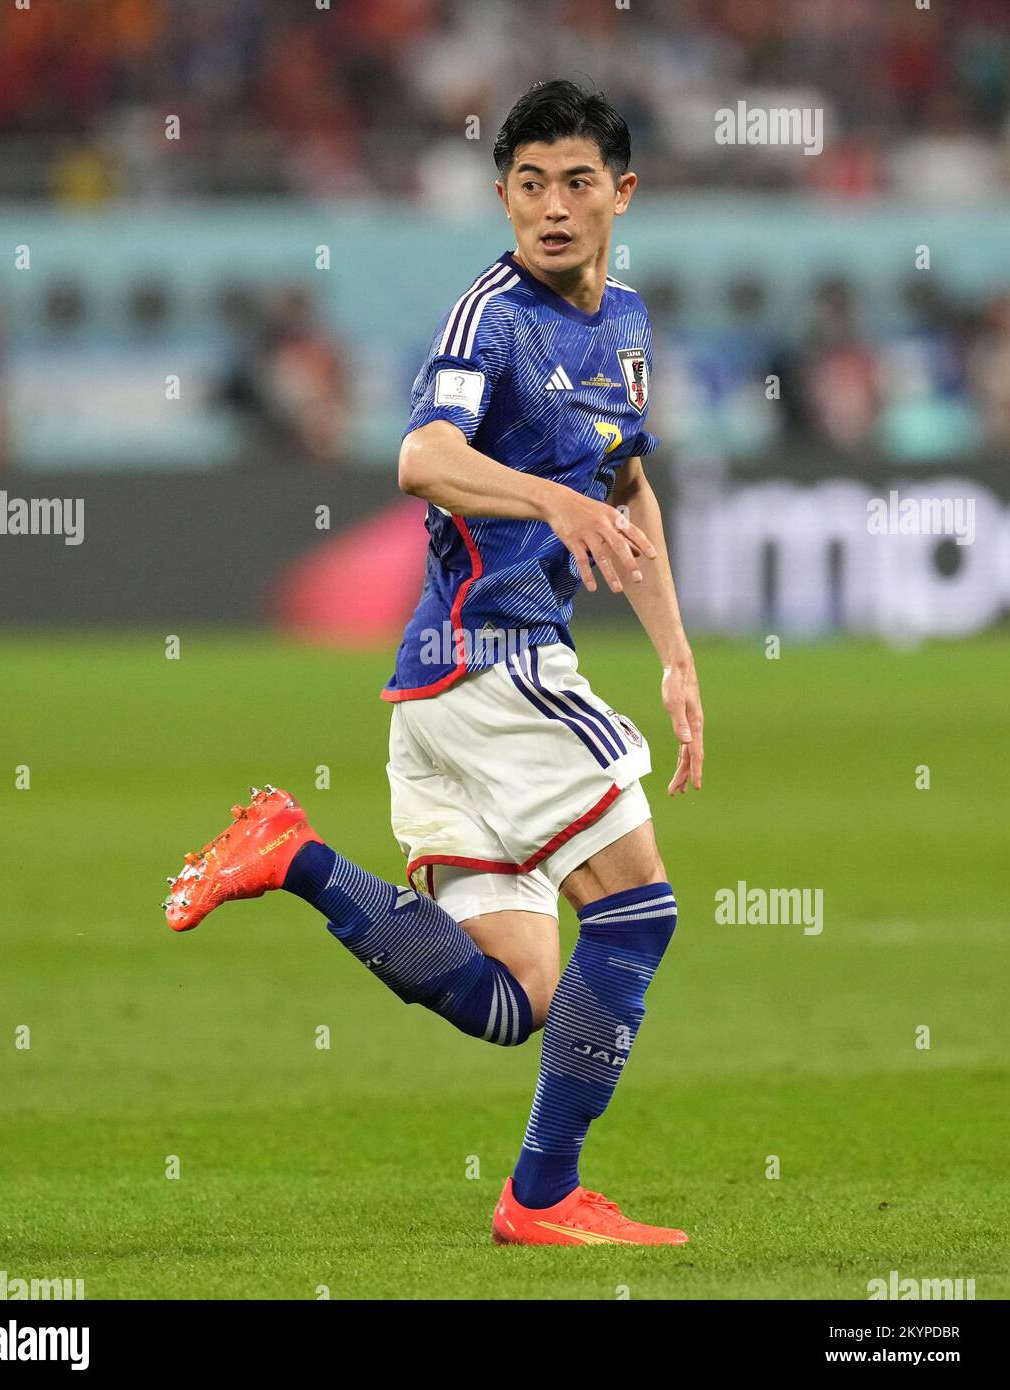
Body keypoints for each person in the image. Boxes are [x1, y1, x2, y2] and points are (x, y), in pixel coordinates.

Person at [163, 80, 704, 1247]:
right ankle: (544, 1196)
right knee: (639, 913)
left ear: (623, 191)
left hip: (441, 693)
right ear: (501, 193)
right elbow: (422, 457)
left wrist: (675, 653)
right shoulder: (488, 319)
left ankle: (296, 857)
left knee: (516, 998)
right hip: (494, 658)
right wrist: (546, 499)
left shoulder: (628, 325)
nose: (551, 207)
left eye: (575, 182)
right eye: (527, 184)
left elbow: (623, 486)